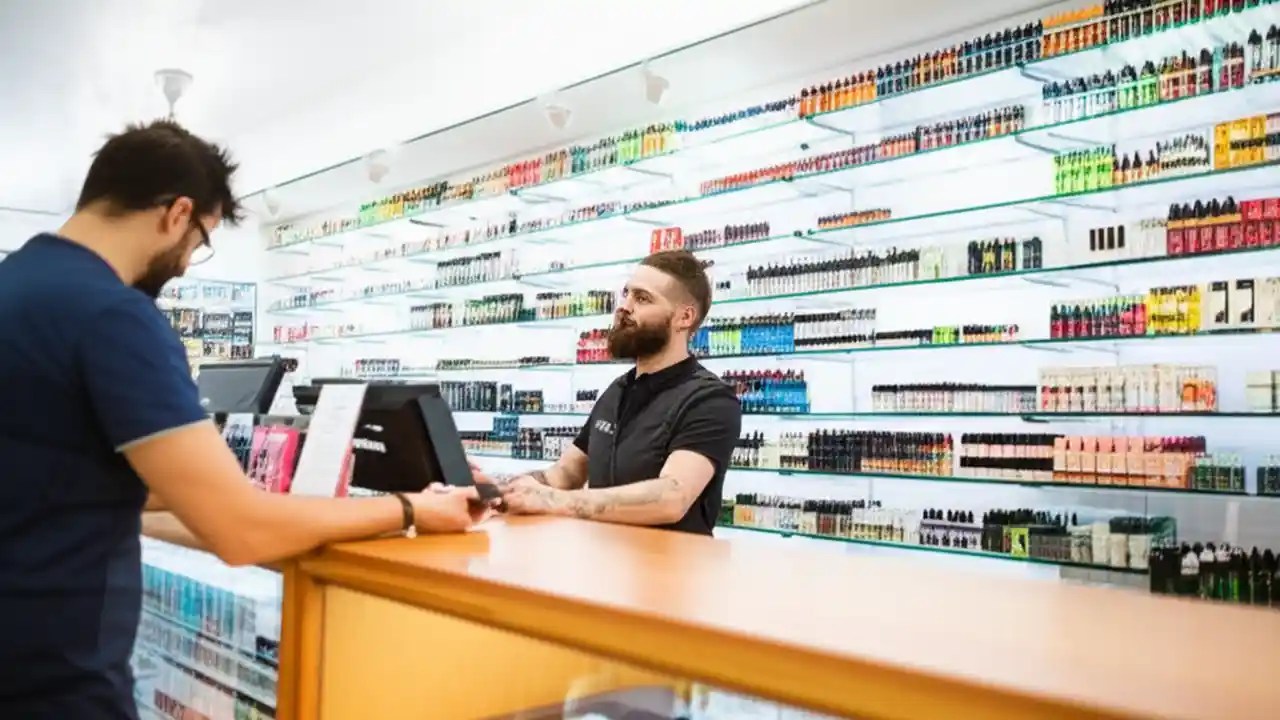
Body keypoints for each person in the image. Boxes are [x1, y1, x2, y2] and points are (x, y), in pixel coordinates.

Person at [0, 120, 487, 720]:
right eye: (199, 240)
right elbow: (240, 530)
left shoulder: (15, 286)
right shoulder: (114, 316)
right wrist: (412, 508)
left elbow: (59, 475)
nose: (184, 264)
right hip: (53, 684)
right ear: (178, 213)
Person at [477, 250, 742, 535]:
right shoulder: (617, 391)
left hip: (670, 572)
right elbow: (565, 473)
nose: (623, 307)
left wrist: (555, 501)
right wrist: (497, 492)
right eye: (626, 294)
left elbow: (671, 497)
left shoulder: (709, 400)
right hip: (605, 565)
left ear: (684, 317)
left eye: (642, 298)